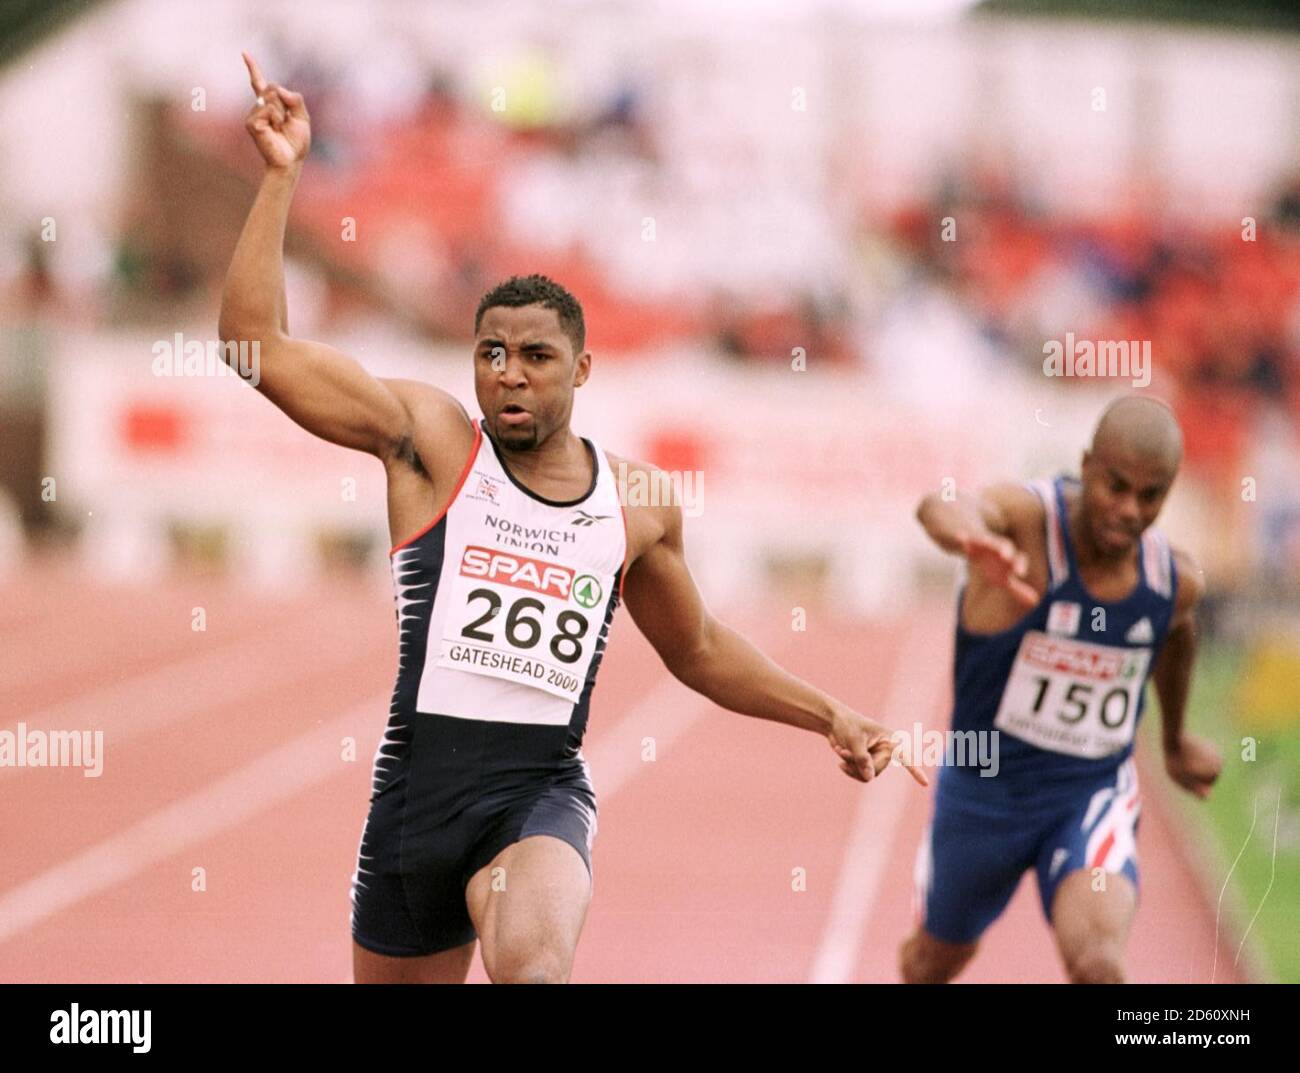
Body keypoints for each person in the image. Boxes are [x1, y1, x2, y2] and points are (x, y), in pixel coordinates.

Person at [219, 55, 925, 985]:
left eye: (537, 356)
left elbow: (700, 648)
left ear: (583, 371)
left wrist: (830, 713)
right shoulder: (430, 444)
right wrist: (281, 178)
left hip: (535, 798)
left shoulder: (635, 504)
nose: (509, 371)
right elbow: (251, 349)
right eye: (492, 352)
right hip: (412, 807)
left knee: (535, 968)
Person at [900, 395, 1222, 984]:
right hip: (982, 793)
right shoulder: (1027, 524)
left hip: (1088, 792)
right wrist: (974, 540)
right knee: (930, 965)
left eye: (1150, 496)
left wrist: (1174, 741)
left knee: (1099, 964)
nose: (1128, 510)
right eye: (1115, 486)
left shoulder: (1172, 581)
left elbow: (1176, 635)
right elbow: (941, 506)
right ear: (1086, 465)